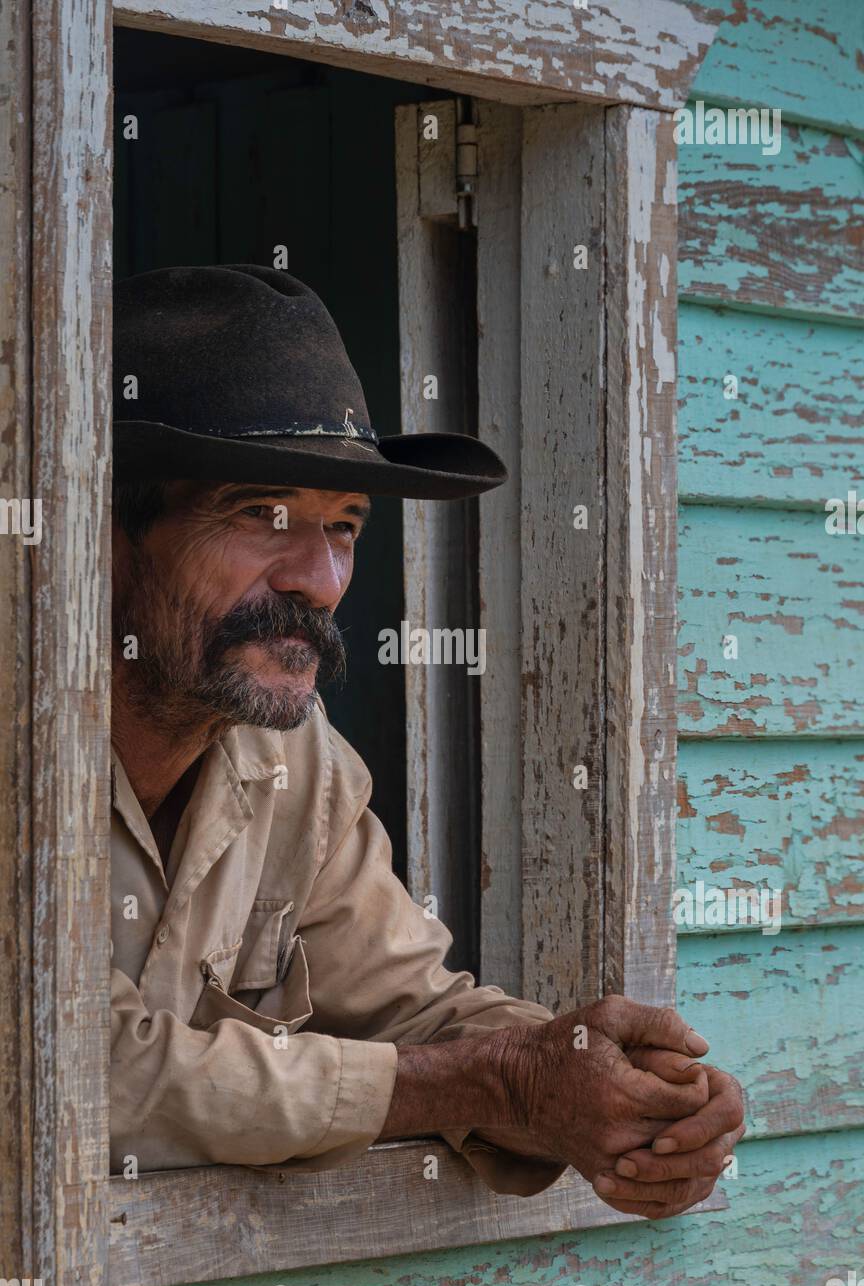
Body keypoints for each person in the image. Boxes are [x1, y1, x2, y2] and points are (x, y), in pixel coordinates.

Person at [110, 264, 744, 1216]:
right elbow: (60, 1065)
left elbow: (414, 1005)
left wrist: (610, 1082)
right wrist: (488, 1084)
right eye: (262, 515)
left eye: (346, 526)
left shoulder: (296, 763)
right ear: (108, 529)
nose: (321, 581)